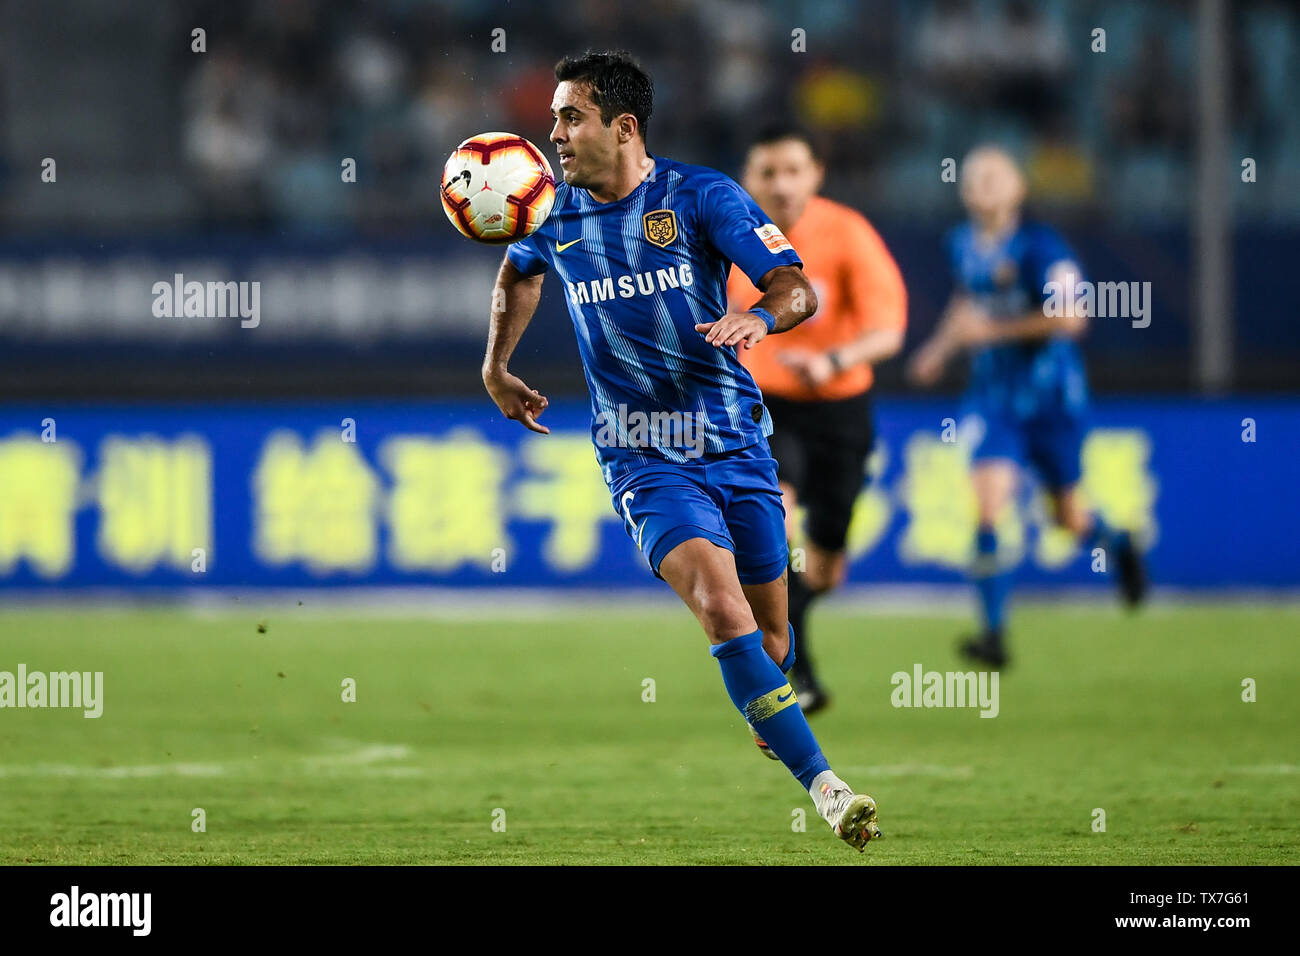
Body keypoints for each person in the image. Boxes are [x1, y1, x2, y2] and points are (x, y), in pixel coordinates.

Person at [481, 51, 880, 850]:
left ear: (622, 127)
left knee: (770, 640)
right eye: (555, 117)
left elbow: (796, 288)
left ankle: (767, 701)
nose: (553, 133)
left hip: (735, 442)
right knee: (718, 605)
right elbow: (519, 273)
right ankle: (831, 790)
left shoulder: (701, 197)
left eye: (570, 117)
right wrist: (496, 366)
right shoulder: (549, 211)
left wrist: (759, 318)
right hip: (641, 453)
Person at [908, 146, 1146, 667]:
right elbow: (967, 301)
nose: (983, 186)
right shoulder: (962, 244)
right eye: (973, 179)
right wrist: (939, 350)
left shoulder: (1043, 247)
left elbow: (1072, 318)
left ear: (1018, 187)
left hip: (1054, 398)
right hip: (994, 400)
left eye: (995, 177)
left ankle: (1119, 541)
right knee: (989, 502)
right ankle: (993, 635)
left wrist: (988, 333)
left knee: (1069, 518)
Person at [727, 124, 907, 717]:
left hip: (840, 407)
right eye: (766, 172)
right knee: (773, 521)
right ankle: (794, 670)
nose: (780, 185)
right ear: (747, 178)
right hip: (765, 406)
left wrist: (833, 359)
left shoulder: (847, 232)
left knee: (825, 568)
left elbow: (888, 329)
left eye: (792, 171)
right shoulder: (724, 234)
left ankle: (793, 634)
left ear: (816, 175)